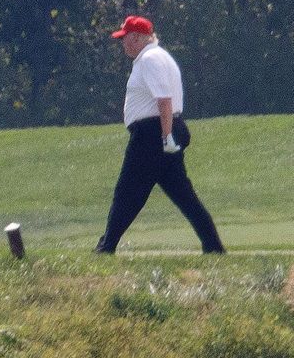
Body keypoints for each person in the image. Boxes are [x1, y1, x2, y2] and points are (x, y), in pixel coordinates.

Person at [94, 15, 224, 254]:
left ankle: (106, 247)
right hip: (164, 130)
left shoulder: (149, 59)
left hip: (152, 134)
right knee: (183, 195)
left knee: (127, 191)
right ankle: (213, 246)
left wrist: (165, 137)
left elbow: (164, 101)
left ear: (137, 38)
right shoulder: (160, 56)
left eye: (125, 38)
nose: (123, 44)